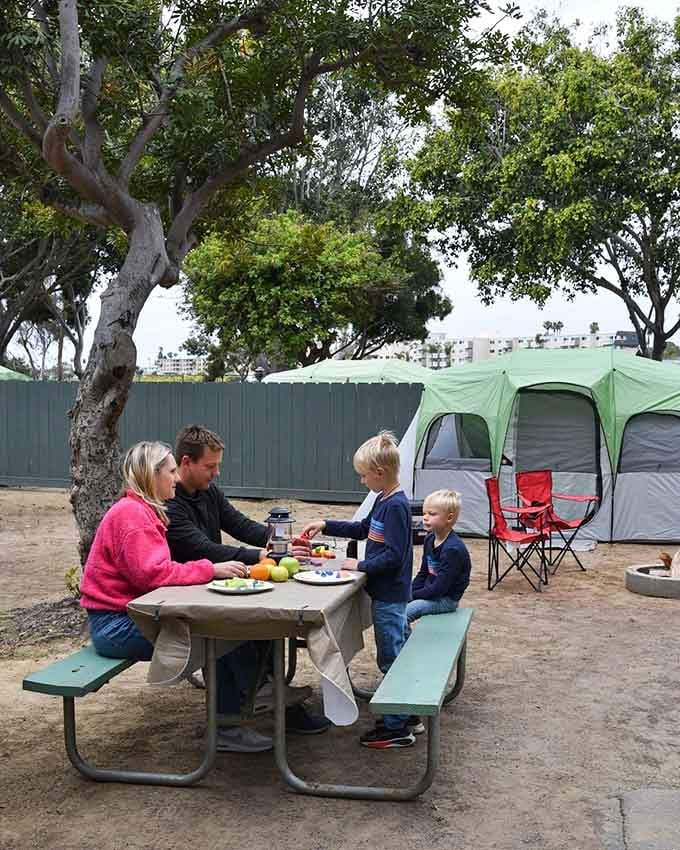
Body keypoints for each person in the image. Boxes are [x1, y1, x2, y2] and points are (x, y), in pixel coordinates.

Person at [79, 441, 275, 752]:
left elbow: (156, 574)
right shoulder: (133, 515)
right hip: (115, 626)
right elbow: (153, 574)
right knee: (219, 632)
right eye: (171, 472)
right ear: (151, 475)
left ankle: (252, 699)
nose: (175, 478)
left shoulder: (143, 509)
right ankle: (228, 724)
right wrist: (209, 569)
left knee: (226, 627)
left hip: (131, 616)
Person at [165, 424, 331, 744]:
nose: (216, 473)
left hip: (213, 582)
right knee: (231, 629)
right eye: (210, 466)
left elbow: (237, 522)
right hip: (187, 592)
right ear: (186, 462)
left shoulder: (207, 490)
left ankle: (270, 693)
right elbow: (202, 547)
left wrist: (278, 541)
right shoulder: (172, 503)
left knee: (265, 620)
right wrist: (262, 554)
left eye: (218, 465)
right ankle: (239, 713)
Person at [302, 431, 416, 749]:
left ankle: (397, 727)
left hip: (390, 597)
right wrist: (325, 524)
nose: (362, 481)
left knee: (391, 659)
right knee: (397, 655)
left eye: (363, 476)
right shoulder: (383, 500)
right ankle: (407, 714)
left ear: (380, 473)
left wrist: (359, 566)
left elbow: (394, 557)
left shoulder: (396, 507)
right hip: (385, 595)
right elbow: (363, 529)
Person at [408, 489, 471, 627]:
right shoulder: (429, 538)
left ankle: (406, 648)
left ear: (449, 518)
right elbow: (423, 573)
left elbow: (439, 589)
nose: (425, 517)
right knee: (400, 593)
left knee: (404, 614)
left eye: (432, 514)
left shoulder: (452, 550)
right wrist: (409, 591)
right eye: (424, 513)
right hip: (431, 589)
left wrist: (411, 596)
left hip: (445, 600)